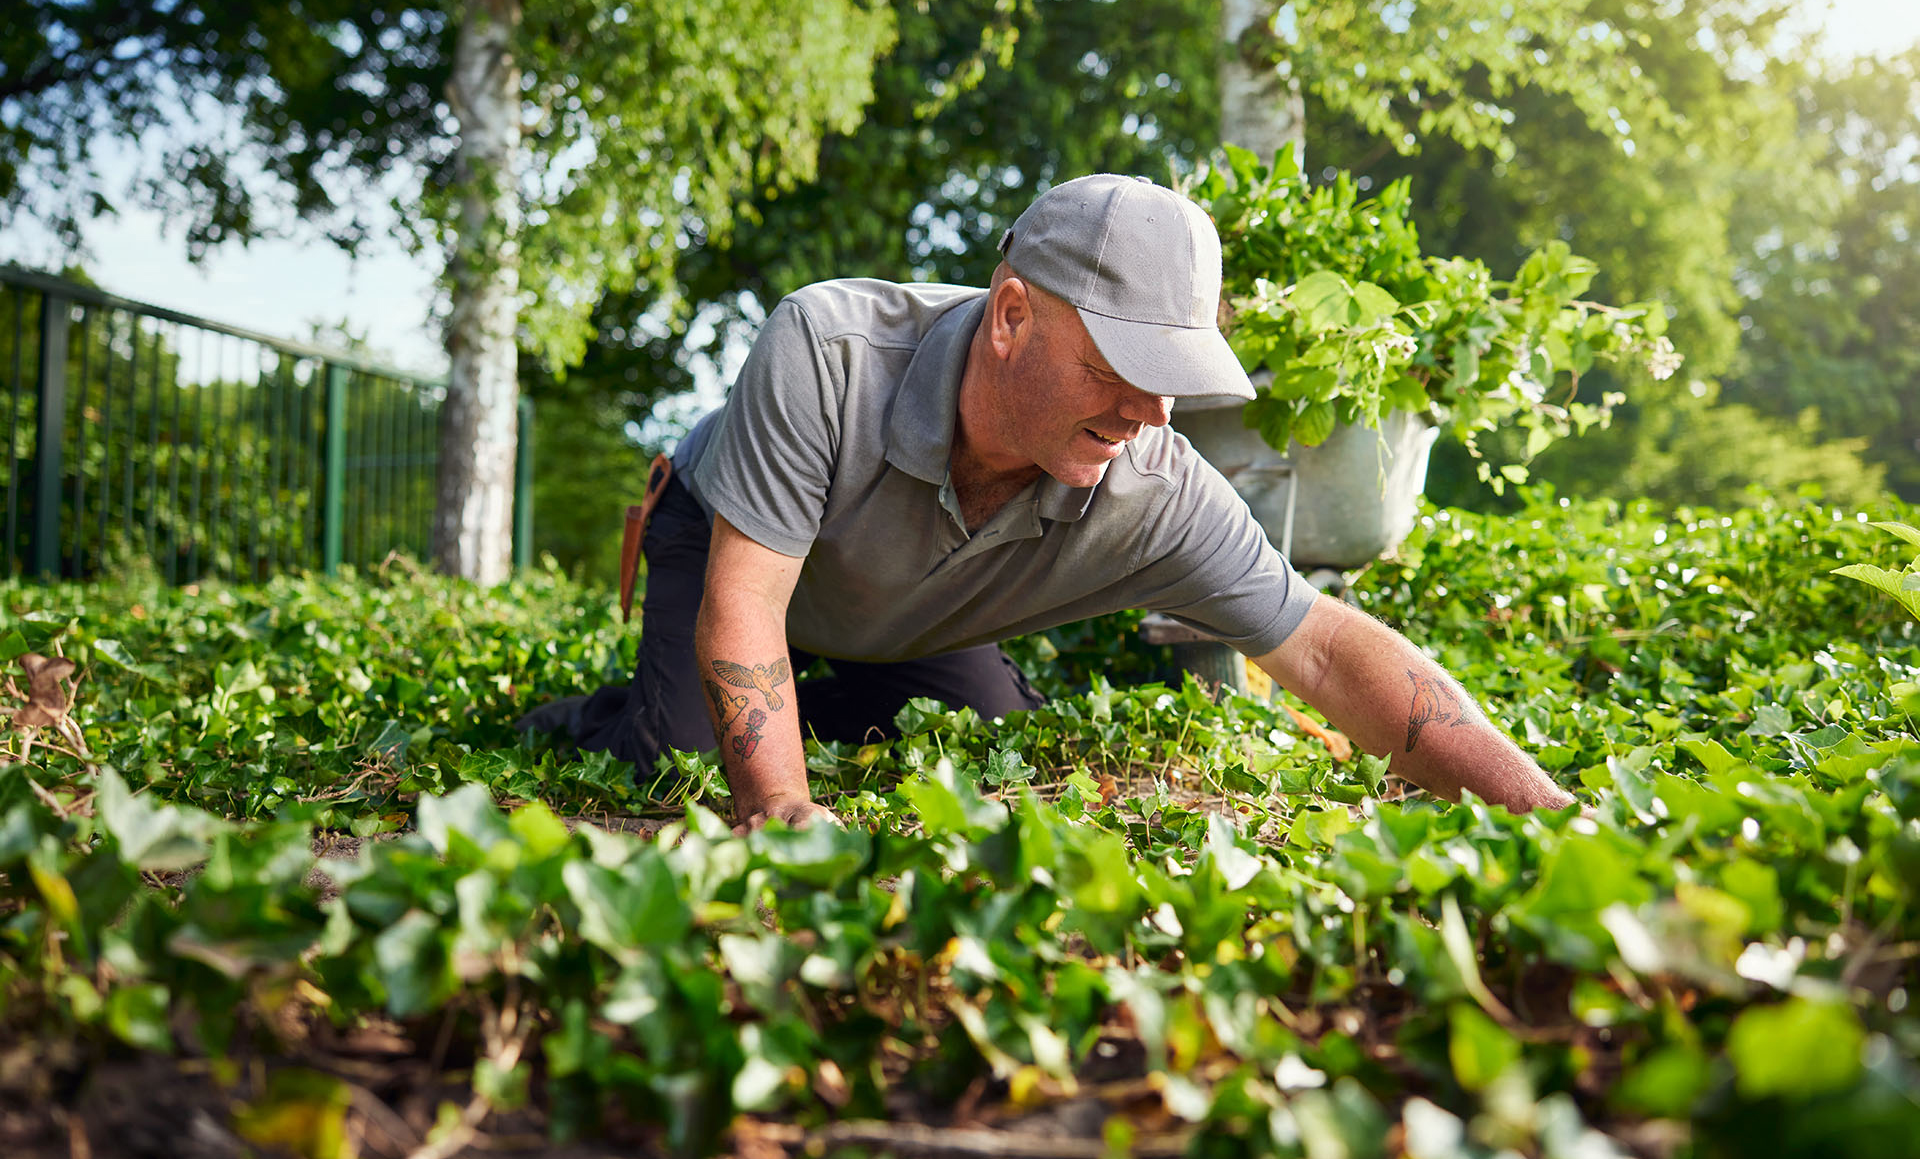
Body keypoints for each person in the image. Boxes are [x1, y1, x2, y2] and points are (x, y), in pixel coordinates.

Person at [523, 174, 1574, 830]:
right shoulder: (826, 350)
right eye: (1121, 366)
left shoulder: (1155, 476)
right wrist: (784, 807)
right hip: (734, 549)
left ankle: (803, 691)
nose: (1151, 412)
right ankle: (610, 713)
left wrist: (1545, 809)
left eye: (1173, 378)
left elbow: (1328, 650)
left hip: (899, 607)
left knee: (983, 734)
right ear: (1012, 316)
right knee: (684, 762)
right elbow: (748, 601)